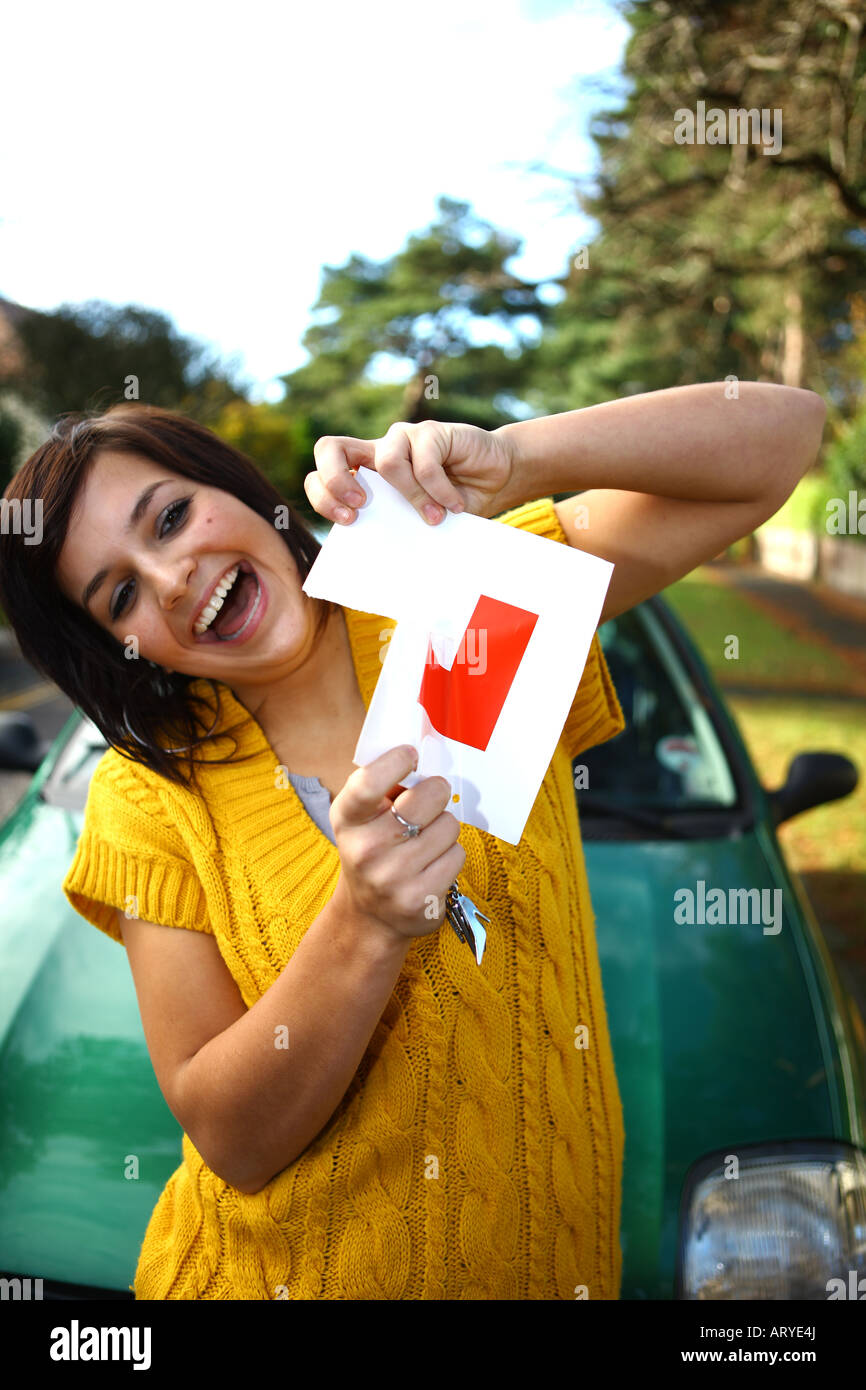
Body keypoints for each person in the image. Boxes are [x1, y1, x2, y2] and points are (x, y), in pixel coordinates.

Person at [0, 384, 825, 1299]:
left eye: (171, 517)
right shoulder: (150, 794)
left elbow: (781, 441)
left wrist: (518, 460)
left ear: (234, 487)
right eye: (120, 594)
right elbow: (231, 1140)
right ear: (120, 646)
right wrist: (363, 923)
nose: (170, 579)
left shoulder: (463, 599)